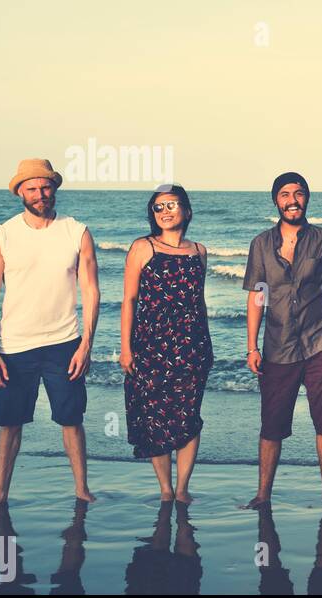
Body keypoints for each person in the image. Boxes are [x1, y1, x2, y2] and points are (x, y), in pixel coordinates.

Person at [0, 158, 100, 506]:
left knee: (71, 418)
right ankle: (0, 492)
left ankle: (82, 489)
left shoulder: (76, 231)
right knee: (10, 421)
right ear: (20, 192)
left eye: (45, 186)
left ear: (54, 188)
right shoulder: (2, 235)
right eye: (31, 188)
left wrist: (86, 346)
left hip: (65, 343)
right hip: (15, 345)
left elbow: (91, 291)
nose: (40, 193)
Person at [242, 172, 322, 508]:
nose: (292, 200)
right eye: (284, 195)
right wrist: (251, 345)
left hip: (320, 341)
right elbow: (256, 296)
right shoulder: (261, 244)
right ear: (276, 201)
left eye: (298, 193)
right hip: (277, 347)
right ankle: (263, 494)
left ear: (307, 197)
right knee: (272, 423)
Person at [120, 185, 213, 502]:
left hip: (192, 346)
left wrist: (207, 346)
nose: (166, 211)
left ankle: (183, 487)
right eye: (159, 207)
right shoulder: (142, 247)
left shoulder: (199, 251)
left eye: (172, 205)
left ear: (187, 210)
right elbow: (129, 300)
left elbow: (198, 302)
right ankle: (165, 488)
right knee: (154, 415)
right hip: (150, 345)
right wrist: (126, 347)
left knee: (189, 415)